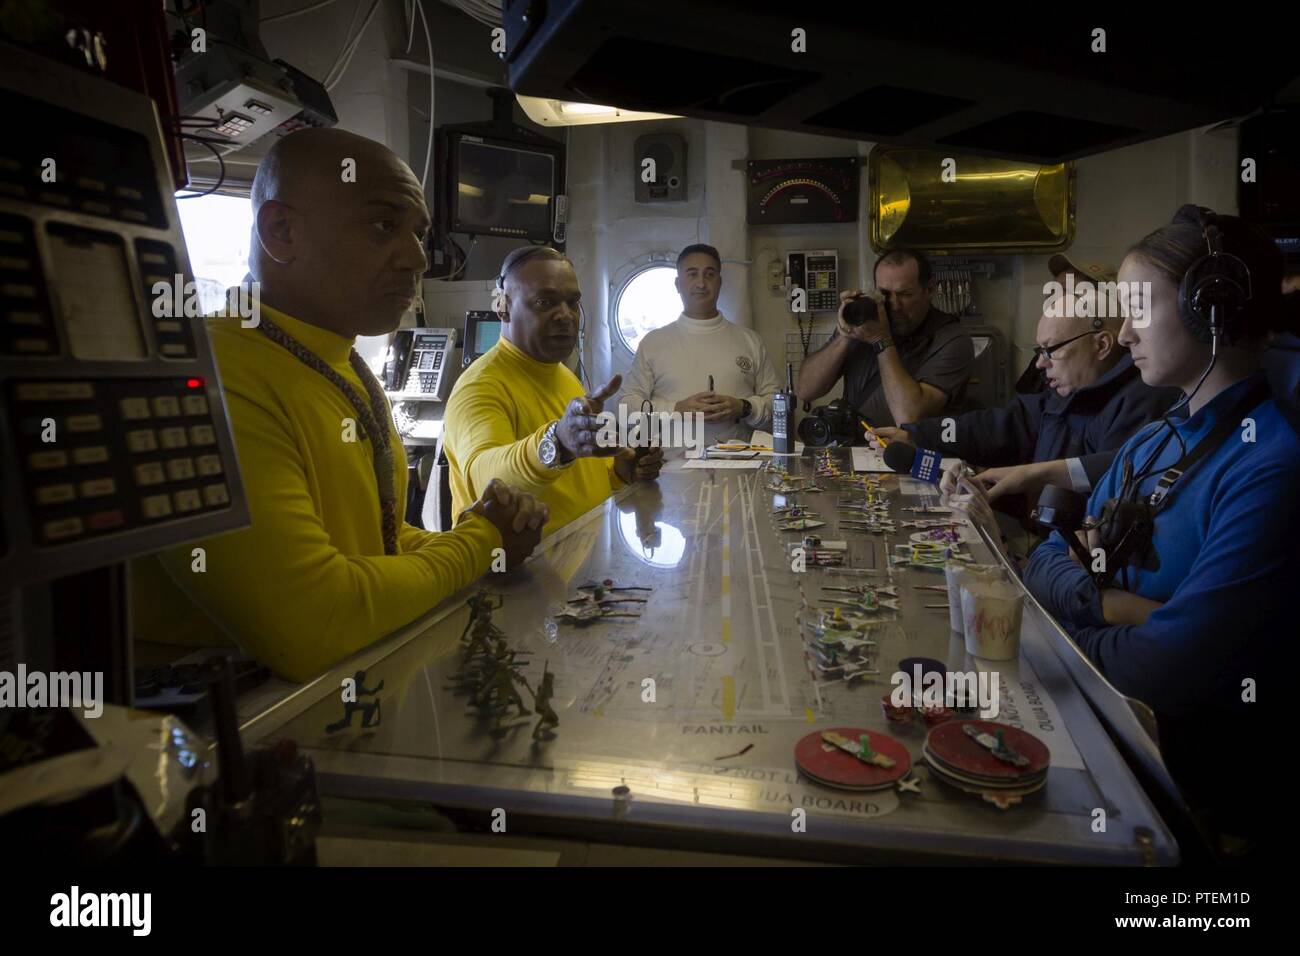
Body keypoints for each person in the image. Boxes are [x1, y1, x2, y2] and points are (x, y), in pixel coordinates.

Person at [132, 129, 547, 682]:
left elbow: (379, 540)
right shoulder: (207, 379)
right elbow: (314, 619)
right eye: (383, 226)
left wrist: (475, 533)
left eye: (418, 234)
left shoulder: (336, 361)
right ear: (281, 231)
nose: (418, 259)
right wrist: (480, 542)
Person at [1021, 206, 1297, 850]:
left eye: (1139, 308)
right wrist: (1112, 604)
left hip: (1198, 802)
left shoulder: (1270, 466)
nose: (1120, 336)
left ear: (1212, 310)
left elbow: (1166, 669)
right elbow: (1043, 562)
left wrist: (1059, 638)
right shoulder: (1151, 440)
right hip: (1111, 743)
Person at [442, 246, 664, 535]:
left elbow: (582, 482)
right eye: (544, 302)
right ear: (503, 307)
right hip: (521, 570)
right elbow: (485, 479)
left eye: (572, 303)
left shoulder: (564, 376)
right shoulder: (481, 387)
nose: (565, 316)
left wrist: (624, 470)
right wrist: (556, 443)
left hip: (580, 563)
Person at [620, 243, 779, 450]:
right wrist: (676, 409)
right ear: (678, 284)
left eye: (709, 274)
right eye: (692, 274)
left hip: (738, 467)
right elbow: (626, 406)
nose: (701, 283)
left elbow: (778, 406)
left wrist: (744, 407)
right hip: (670, 468)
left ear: (720, 283)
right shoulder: (654, 343)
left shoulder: (749, 341)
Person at [797, 248, 974, 427]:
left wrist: (881, 340)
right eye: (885, 294)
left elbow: (909, 417)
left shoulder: (952, 339)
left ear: (929, 289)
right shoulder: (865, 323)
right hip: (858, 449)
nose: (894, 305)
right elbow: (806, 390)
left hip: (908, 452)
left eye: (905, 294)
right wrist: (845, 336)